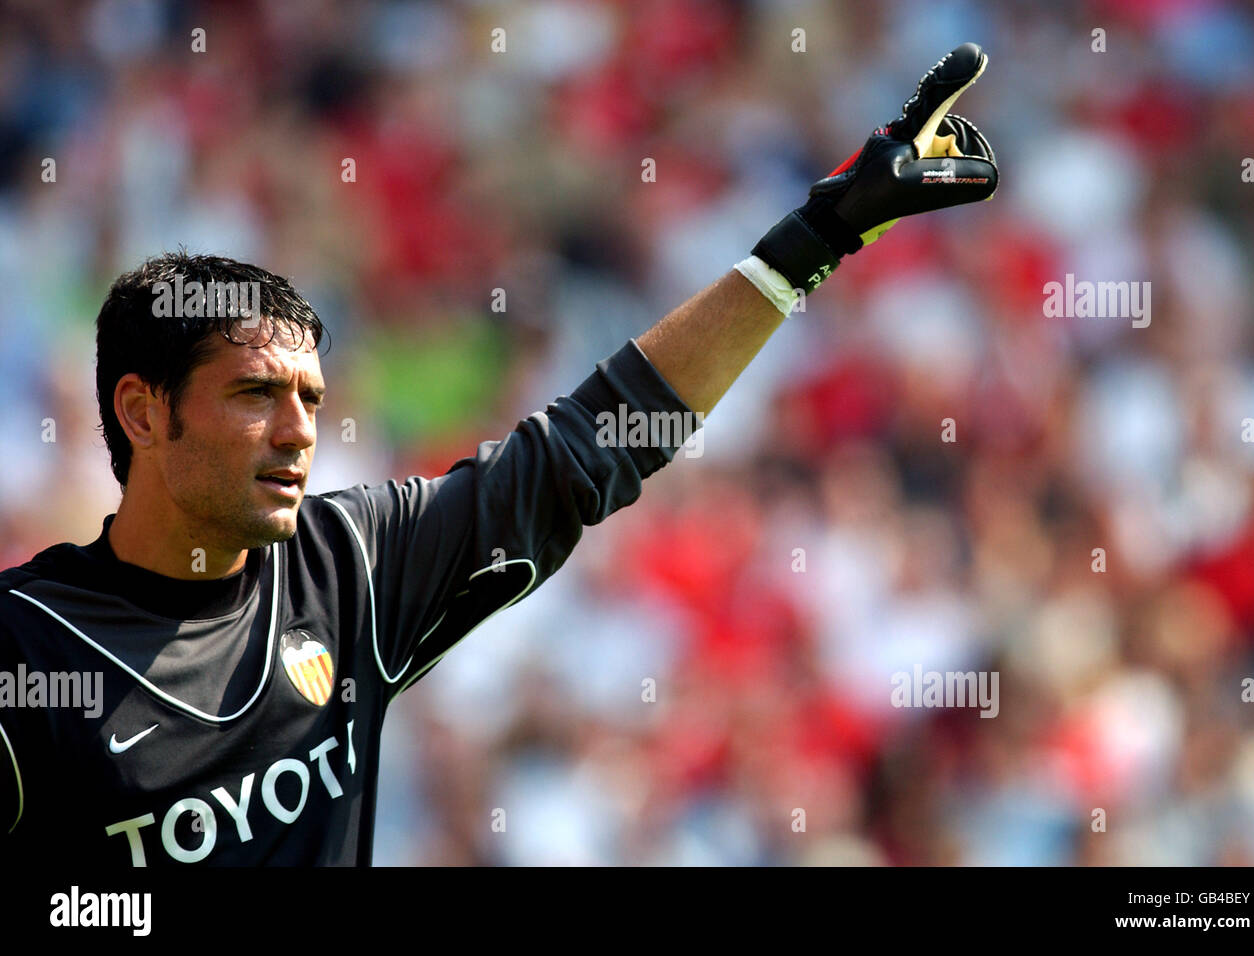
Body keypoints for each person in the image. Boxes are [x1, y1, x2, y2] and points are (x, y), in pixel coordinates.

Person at [0, 43, 997, 865]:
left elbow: (589, 447)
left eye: (310, 396)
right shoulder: (27, 654)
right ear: (142, 411)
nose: (300, 429)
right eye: (257, 396)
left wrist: (818, 234)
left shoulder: (348, 568)